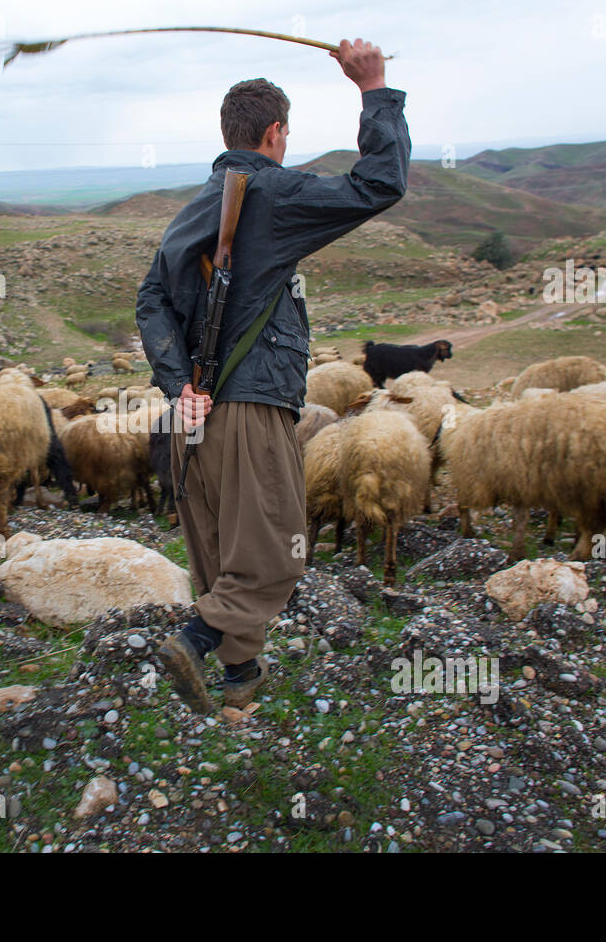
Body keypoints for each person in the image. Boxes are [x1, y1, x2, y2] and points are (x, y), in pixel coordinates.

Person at [134, 39, 411, 714]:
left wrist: (181, 386)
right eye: (285, 133)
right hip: (251, 412)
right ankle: (196, 640)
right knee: (280, 551)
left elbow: (151, 301)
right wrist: (373, 88)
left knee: (225, 555)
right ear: (275, 133)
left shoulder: (196, 205)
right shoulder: (273, 190)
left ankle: (239, 688)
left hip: (191, 422)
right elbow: (380, 185)